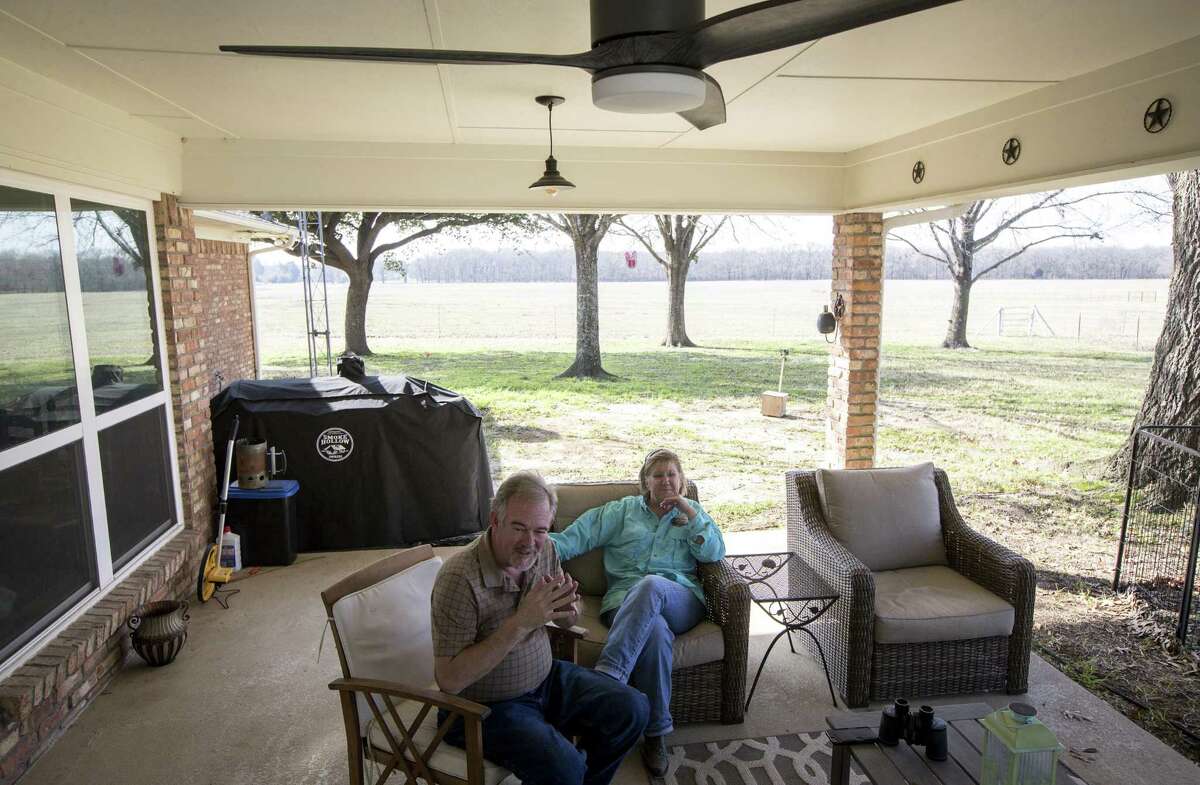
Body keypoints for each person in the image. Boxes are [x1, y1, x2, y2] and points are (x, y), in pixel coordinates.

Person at [431, 470, 649, 785]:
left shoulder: (545, 550)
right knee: (566, 768)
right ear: (495, 519)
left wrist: (569, 611)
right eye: (519, 527)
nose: (529, 543)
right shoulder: (459, 579)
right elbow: (449, 680)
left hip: (544, 680)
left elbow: (569, 615)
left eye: (540, 530)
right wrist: (520, 624)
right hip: (481, 708)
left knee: (633, 709)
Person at [549, 448, 725, 777]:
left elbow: (715, 553)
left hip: (681, 600)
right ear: (645, 481)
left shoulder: (693, 514)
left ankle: (604, 683)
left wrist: (690, 514)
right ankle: (656, 733)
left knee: (652, 585)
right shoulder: (621, 512)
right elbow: (577, 537)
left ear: (682, 480)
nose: (666, 480)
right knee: (655, 632)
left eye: (672, 474)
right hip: (623, 605)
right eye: (658, 475)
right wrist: (534, 546)